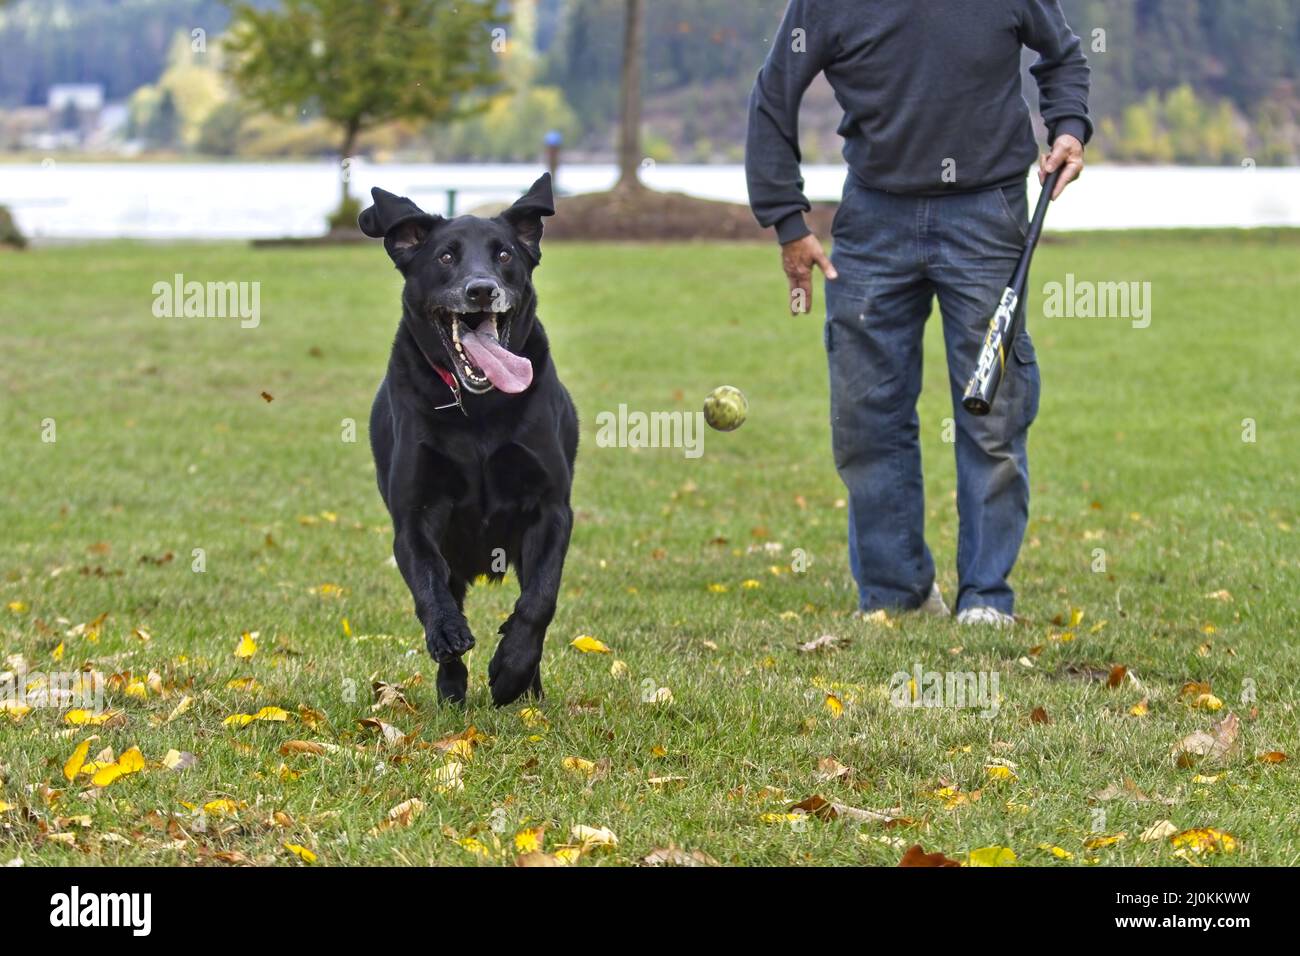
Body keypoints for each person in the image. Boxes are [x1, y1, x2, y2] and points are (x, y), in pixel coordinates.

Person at [746, 0, 1090, 626]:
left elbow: (1062, 55)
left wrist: (1069, 126)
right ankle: (896, 594)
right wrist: (787, 220)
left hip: (989, 213)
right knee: (866, 415)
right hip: (874, 219)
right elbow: (773, 94)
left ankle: (986, 596)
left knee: (994, 412)